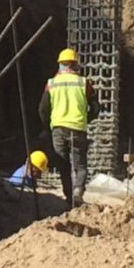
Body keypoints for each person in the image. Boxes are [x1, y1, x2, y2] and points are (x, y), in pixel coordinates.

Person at [41, 47, 97, 204]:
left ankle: (68, 197)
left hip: (58, 129)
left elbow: (43, 109)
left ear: (60, 65)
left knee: (63, 165)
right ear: (75, 64)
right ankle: (78, 189)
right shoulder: (84, 83)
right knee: (80, 165)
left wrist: (48, 126)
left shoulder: (51, 83)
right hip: (78, 128)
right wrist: (85, 119)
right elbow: (96, 108)